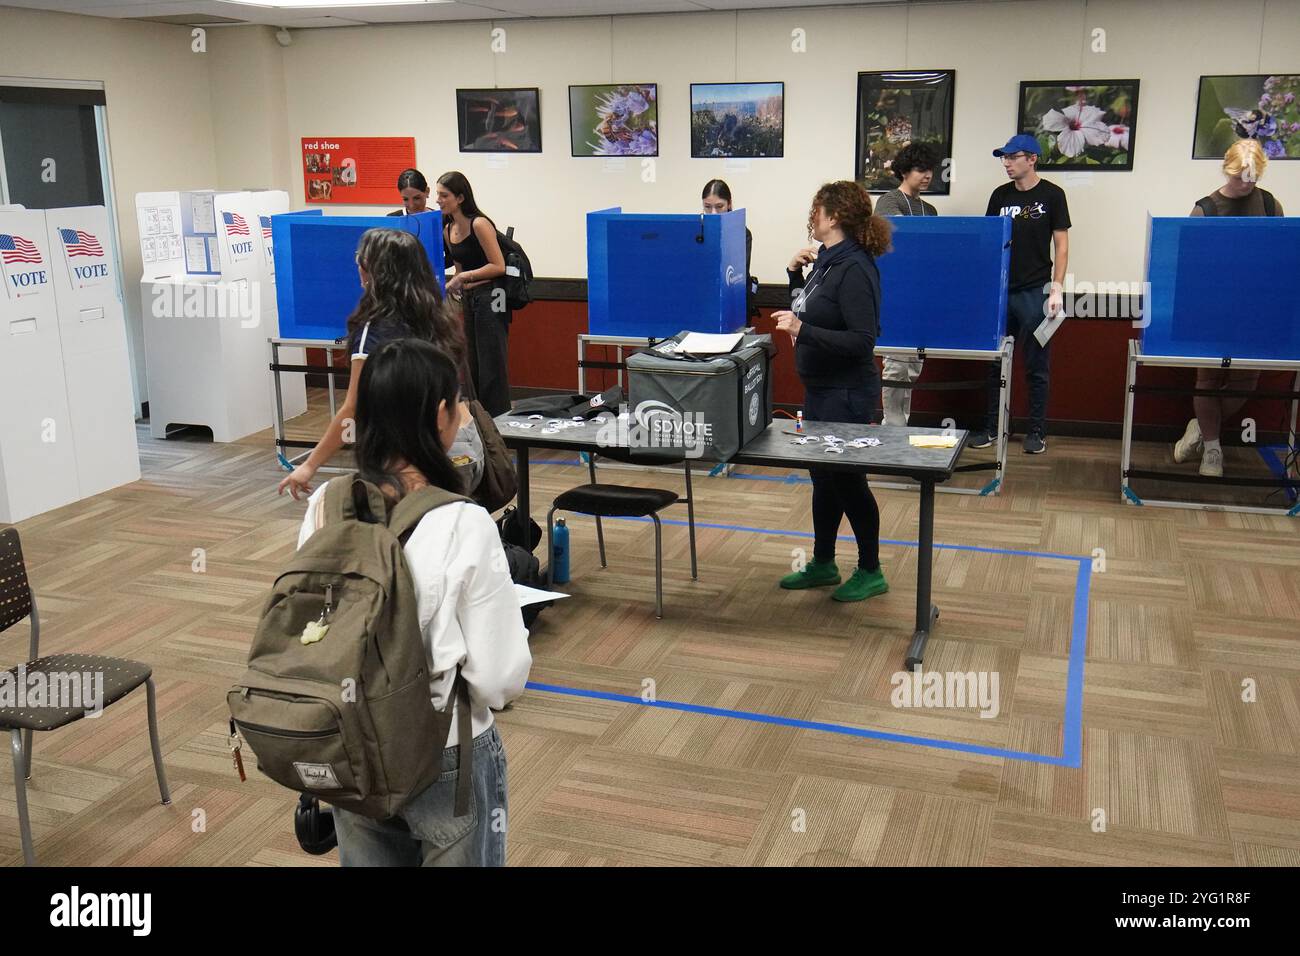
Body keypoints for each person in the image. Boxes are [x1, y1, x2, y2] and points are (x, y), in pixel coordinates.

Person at [297, 339, 531, 866]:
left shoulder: (325, 505)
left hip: (352, 743)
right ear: (440, 415)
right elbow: (499, 678)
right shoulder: (462, 521)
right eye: (458, 403)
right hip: (444, 749)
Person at [277, 227, 477, 501]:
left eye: (360, 258)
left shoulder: (374, 332)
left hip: (421, 457)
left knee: (405, 525)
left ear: (372, 271)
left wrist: (310, 465)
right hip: (463, 440)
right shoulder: (438, 318)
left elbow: (353, 408)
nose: (357, 264)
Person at [771, 181, 892, 603]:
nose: (812, 217)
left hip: (847, 393)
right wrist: (793, 275)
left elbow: (863, 340)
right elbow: (806, 309)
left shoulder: (855, 268)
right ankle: (824, 562)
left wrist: (802, 330)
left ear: (834, 216)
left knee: (848, 481)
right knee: (823, 480)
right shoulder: (826, 260)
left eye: (816, 210)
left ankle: (871, 570)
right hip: (821, 390)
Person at [1174, 138, 1285, 477]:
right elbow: (1189, 266)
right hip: (1212, 310)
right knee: (1207, 379)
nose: (1246, 183)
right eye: (1240, 177)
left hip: (1254, 311)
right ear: (1227, 170)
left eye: (1253, 177)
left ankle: (1201, 426)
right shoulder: (1206, 209)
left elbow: (1280, 258)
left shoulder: (1270, 205)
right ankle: (1212, 449)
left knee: (1246, 383)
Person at [971, 134, 1071, 455]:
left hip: (1035, 291)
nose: (1006, 163)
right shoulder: (999, 196)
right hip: (1001, 292)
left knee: (1036, 365)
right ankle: (993, 426)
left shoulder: (1052, 195)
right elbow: (989, 241)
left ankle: (1037, 431)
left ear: (1032, 158)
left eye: (1013, 157)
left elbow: (1061, 246)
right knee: (995, 364)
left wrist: (1057, 288)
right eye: (1004, 157)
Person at [437, 171, 512, 417]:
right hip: (470, 298)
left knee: (492, 362)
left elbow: (498, 265)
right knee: (474, 363)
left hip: (492, 295)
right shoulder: (448, 229)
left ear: (460, 198)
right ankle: (481, 418)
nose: (438, 200)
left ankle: (498, 419)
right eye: (438, 194)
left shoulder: (479, 224)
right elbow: (460, 267)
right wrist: (457, 284)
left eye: (444, 195)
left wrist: (463, 277)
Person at [874, 142, 939, 426]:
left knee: (913, 366)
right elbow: (900, 242)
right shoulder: (889, 201)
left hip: (921, 296)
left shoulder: (930, 209)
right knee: (896, 365)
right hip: (896, 295)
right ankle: (892, 428)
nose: (927, 175)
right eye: (920, 169)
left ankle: (900, 427)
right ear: (904, 171)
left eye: (930, 170)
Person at [701, 179, 758, 318]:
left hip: (734, 301)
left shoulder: (742, 233)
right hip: (705, 300)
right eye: (707, 207)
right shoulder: (698, 231)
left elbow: (738, 273)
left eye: (719, 206)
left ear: (729, 204)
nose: (713, 213)